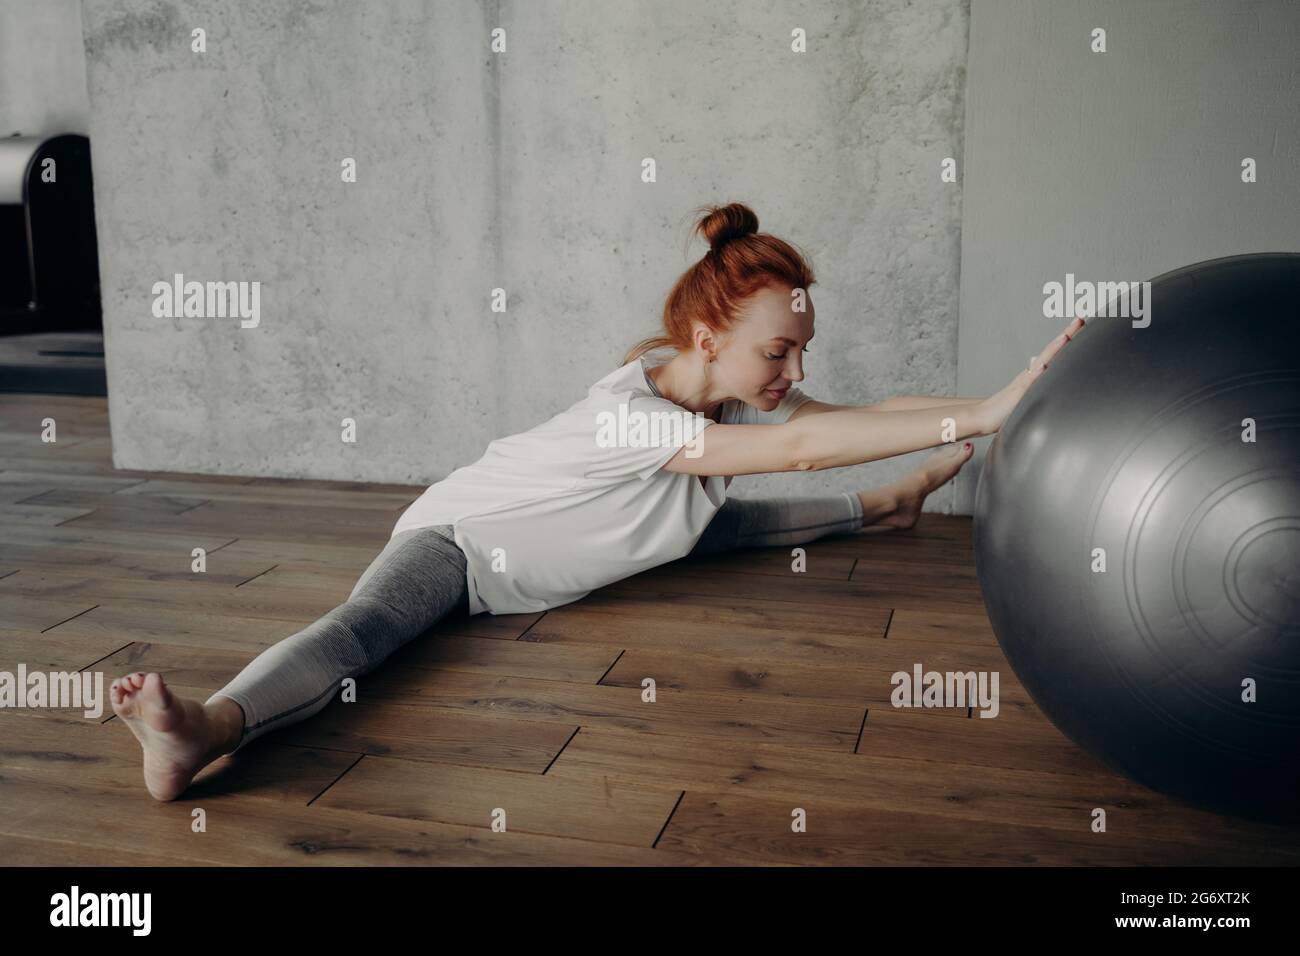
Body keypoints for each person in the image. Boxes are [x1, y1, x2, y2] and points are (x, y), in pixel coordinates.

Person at [110, 202, 1082, 800]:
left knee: (702, 524)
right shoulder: (635, 417)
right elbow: (800, 449)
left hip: (594, 548)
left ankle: (888, 507)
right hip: (462, 541)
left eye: (800, 347)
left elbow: (854, 415)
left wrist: (998, 403)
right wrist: (988, 414)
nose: (794, 367)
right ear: (707, 332)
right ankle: (207, 730)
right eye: (778, 349)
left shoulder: (718, 396)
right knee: (366, 631)